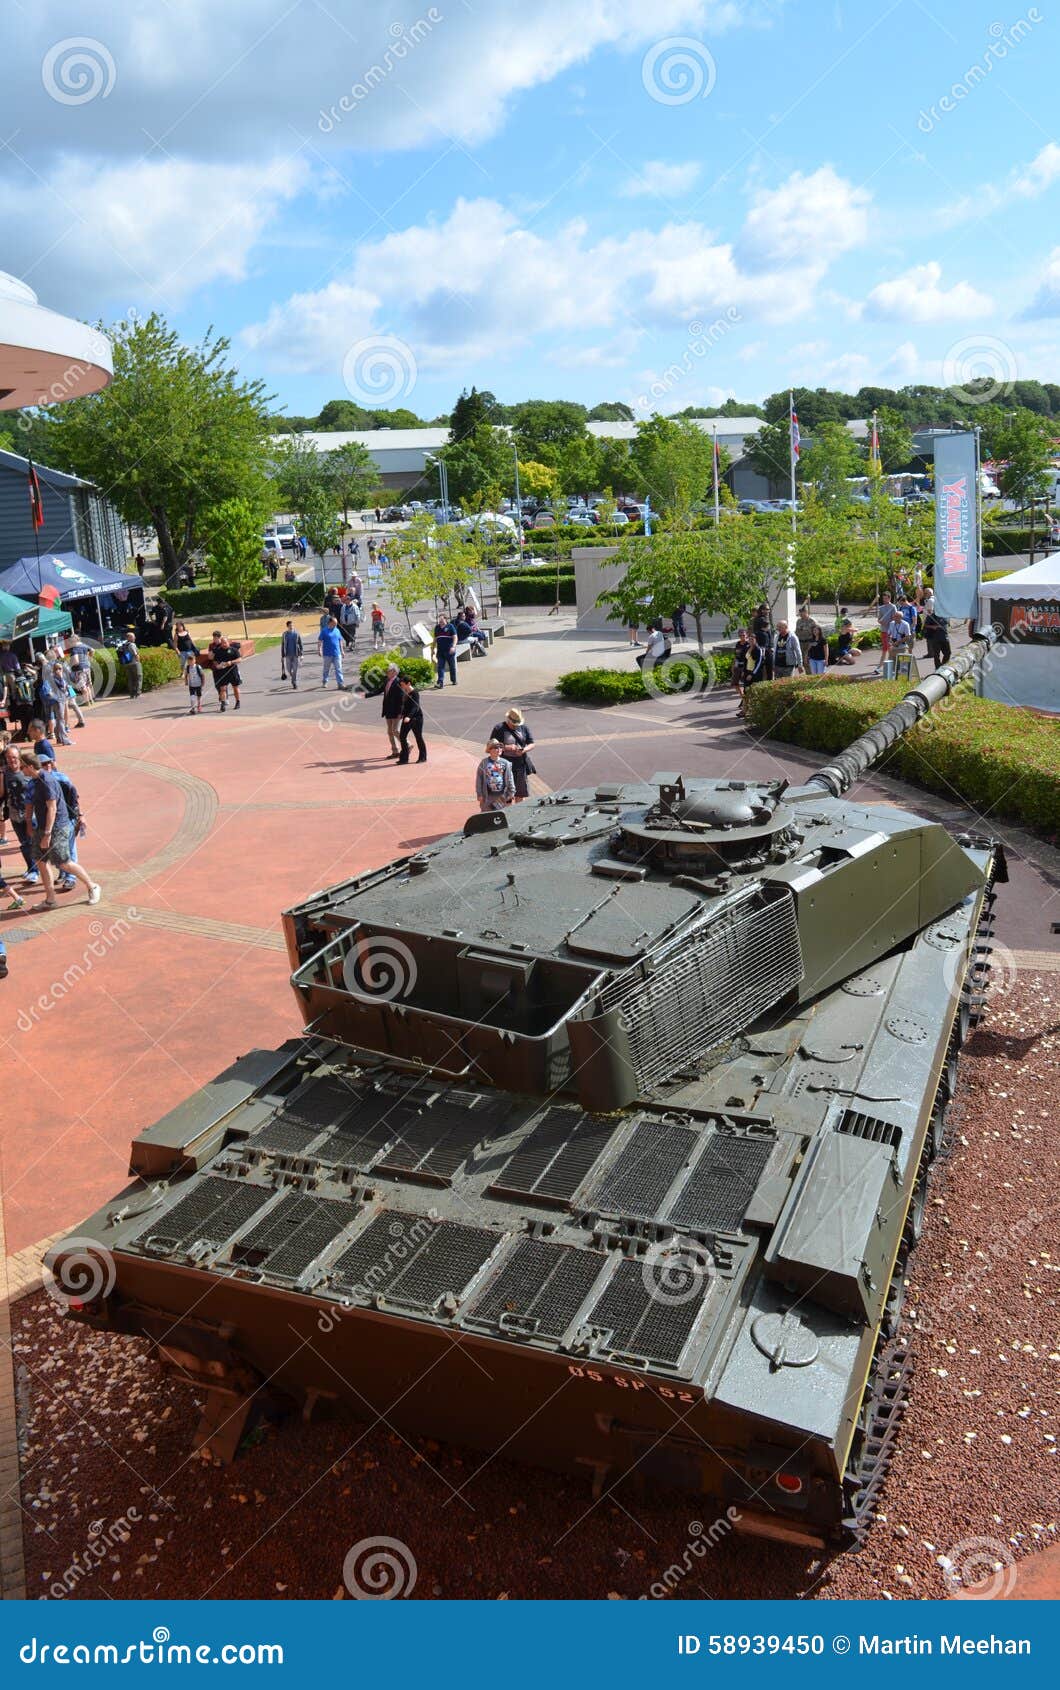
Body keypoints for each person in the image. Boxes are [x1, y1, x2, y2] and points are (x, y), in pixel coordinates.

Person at [21, 750, 100, 910]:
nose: (21, 770)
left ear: (30, 767)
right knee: (40, 861)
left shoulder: (46, 781)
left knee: (63, 862)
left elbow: (52, 808)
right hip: (42, 827)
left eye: (22, 767)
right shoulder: (35, 780)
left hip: (56, 826)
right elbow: (32, 805)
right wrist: (30, 825)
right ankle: (50, 899)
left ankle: (92, 886)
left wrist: (47, 834)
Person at [1, 742, 38, 884]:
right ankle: (31, 868)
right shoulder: (4, 773)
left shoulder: (27, 771)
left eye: (14, 757)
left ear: (19, 756)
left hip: (31, 814)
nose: (11, 760)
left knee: (33, 842)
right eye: (8, 757)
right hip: (14, 814)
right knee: (24, 843)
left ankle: (37, 870)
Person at [491, 707, 535, 801]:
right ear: (508, 720)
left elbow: (532, 743)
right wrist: (508, 747)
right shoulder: (499, 728)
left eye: (517, 724)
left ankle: (518, 813)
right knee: (506, 795)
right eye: (514, 724)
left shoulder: (524, 728)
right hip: (504, 766)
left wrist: (524, 750)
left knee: (520, 794)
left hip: (520, 765)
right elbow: (492, 745)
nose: (516, 726)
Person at [476, 740, 516, 810]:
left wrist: (512, 792)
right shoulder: (484, 763)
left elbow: (510, 778)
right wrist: (479, 794)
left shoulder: (506, 763)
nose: (499, 749)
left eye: (500, 747)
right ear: (490, 750)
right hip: (488, 796)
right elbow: (479, 779)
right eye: (496, 748)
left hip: (502, 795)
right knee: (487, 815)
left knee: (501, 815)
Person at [397, 677, 427, 763]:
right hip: (406, 718)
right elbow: (405, 706)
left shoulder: (415, 693)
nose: (401, 686)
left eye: (403, 685)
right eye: (401, 685)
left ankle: (423, 757)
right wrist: (402, 714)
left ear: (408, 683)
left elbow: (415, 707)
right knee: (402, 736)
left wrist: (409, 717)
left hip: (416, 718)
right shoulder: (405, 693)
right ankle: (404, 758)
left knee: (418, 737)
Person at [207, 631, 236, 711]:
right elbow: (210, 657)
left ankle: (225, 699)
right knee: (217, 684)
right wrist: (214, 652)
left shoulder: (223, 644)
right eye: (213, 638)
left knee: (223, 685)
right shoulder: (211, 645)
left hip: (224, 668)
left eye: (216, 638)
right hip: (215, 667)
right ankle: (221, 696)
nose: (215, 639)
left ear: (220, 638)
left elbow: (232, 650)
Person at [381, 663, 404, 757]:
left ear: (394, 672)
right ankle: (395, 751)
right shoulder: (387, 681)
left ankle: (407, 744)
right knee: (390, 732)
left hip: (396, 711)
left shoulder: (398, 682)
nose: (387, 672)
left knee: (396, 730)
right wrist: (366, 695)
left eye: (389, 670)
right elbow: (380, 690)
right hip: (388, 710)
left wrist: (401, 712)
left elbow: (402, 698)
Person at [738, 637, 765, 716]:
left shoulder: (758, 649)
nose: (751, 641)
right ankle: (744, 711)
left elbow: (759, 663)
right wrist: (744, 671)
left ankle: (756, 711)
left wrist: (752, 674)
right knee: (746, 692)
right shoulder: (747, 648)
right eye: (749, 640)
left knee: (755, 692)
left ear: (756, 640)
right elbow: (745, 660)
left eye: (752, 639)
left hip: (755, 674)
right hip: (747, 672)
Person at [318, 617, 347, 689]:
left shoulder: (337, 630)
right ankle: (325, 681)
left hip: (337, 653)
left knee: (339, 669)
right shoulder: (324, 631)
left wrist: (342, 651)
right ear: (330, 622)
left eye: (336, 623)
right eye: (335, 623)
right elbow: (320, 641)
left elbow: (340, 641)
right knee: (326, 669)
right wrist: (319, 650)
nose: (336, 624)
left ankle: (340, 684)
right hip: (327, 654)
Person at [433, 613, 458, 688]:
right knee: (440, 667)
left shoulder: (450, 626)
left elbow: (455, 637)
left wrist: (453, 646)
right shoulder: (437, 627)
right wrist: (433, 649)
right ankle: (440, 682)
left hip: (449, 650)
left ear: (445, 619)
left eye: (441, 620)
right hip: (440, 651)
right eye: (439, 620)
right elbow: (435, 639)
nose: (440, 621)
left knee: (452, 666)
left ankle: (453, 680)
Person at [118, 632, 143, 700]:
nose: (134, 638)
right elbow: (135, 654)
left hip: (127, 664)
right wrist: (138, 661)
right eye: (133, 637)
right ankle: (138, 693)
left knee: (130, 679)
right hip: (134, 663)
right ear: (128, 638)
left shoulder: (123, 645)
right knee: (138, 678)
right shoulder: (132, 644)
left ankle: (132, 694)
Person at [752, 603, 774, 680]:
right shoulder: (761, 619)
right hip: (762, 648)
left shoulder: (763, 618)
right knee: (767, 669)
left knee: (766, 669)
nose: (767, 611)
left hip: (766, 647)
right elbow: (767, 630)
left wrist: (771, 646)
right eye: (766, 609)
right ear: (761, 610)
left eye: (768, 609)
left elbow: (769, 634)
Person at [874, 591, 894, 669]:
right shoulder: (881, 608)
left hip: (890, 631)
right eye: (883, 598)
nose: (884, 600)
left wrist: (887, 623)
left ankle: (886, 665)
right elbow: (879, 619)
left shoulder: (893, 607)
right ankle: (881, 666)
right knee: (885, 648)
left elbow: (894, 619)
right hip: (883, 630)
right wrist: (880, 621)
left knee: (889, 648)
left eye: (886, 598)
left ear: (889, 598)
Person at [280, 620, 303, 689]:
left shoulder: (296, 634)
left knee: (295, 669)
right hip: (287, 655)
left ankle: (294, 682)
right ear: (287, 626)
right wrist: (282, 656)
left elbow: (300, 644)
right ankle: (293, 677)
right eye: (290, 626)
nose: (291, 627)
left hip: (295, 654)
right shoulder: (284, 634)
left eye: (292, 625)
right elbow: (283, 645)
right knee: (288, 669)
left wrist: (301, 654)